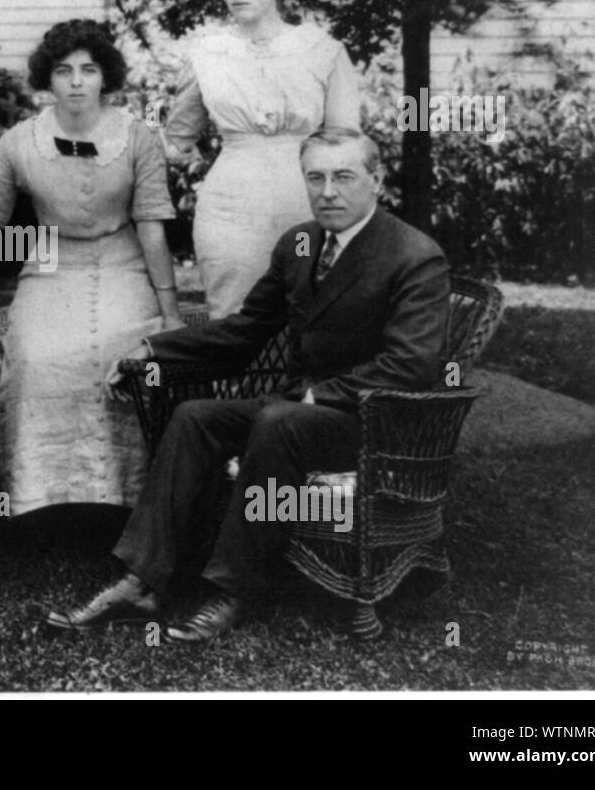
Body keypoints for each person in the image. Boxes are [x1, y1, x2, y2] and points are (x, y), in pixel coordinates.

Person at [46, 128, 450, 642]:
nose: (328, 191)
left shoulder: (414, 255)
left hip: (374, 423)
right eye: (316, 177)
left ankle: (236, 591)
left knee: (279, 420)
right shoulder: (300, 243)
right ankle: (144, 580)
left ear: (377, 180)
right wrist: (155, 349)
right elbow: (245, 332)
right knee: (198, 417)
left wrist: (315, 396)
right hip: (295, 413)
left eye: (344, 177)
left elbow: (411, 364)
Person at [0, 19, 183, 518]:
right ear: (47, 80)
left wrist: (171, 314)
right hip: (50, 267)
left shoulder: (139, 138)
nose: (76, 81)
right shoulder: (19, 142)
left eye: (88, 70)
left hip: (125, 266)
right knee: (32, 356)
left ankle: (130, 497)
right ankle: (37, 497)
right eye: (63, 71)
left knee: (125, 354)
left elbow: (153, 227)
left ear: (104, 77)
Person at [165, 0, 360, 318]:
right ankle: (236, 381)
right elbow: (176, 140)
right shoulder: (207, 54)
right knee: (233, 313)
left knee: (312, 313)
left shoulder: (322, 50)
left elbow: (346, 144)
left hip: (306, 198)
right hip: (229, 207)